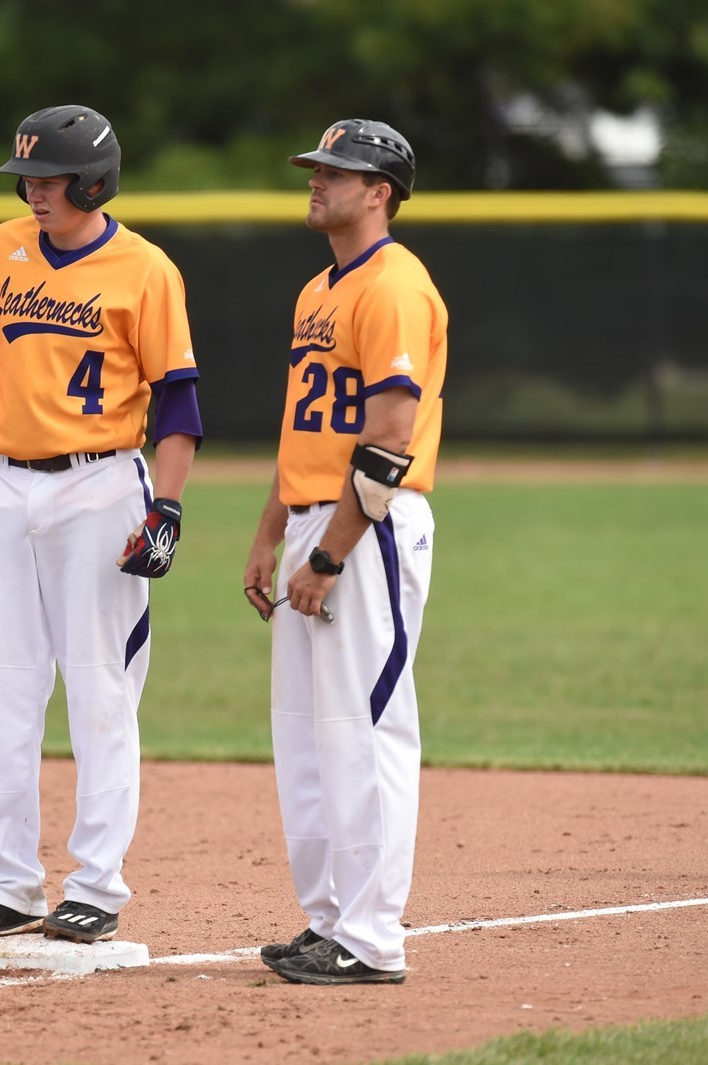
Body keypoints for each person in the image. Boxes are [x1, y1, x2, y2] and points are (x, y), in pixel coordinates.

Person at [0, 104, 203, 946]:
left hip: (101, 487)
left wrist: (167, 505)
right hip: (7, 487)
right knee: (1, 689)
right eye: (28, 179)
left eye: (46, 179)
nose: (33, 192)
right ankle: (8, 885)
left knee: (99, 691)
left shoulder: (145, 268)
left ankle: (96, 884)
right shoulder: (0, 249)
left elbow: (180, 400)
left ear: (92, 181)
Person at [242, 120, 447, 985]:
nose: (318, 181)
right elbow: (306, 430)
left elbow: (390, 438)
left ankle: (372, 938)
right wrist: (269, 531)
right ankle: (331, 920)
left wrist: (327, 555)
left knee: (366, 731)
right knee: (310, 736)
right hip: (314, 521)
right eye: (317, 168)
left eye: (339, 171)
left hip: (366, 528)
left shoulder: (395, 284)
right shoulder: (317, 290)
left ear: (382, 192)